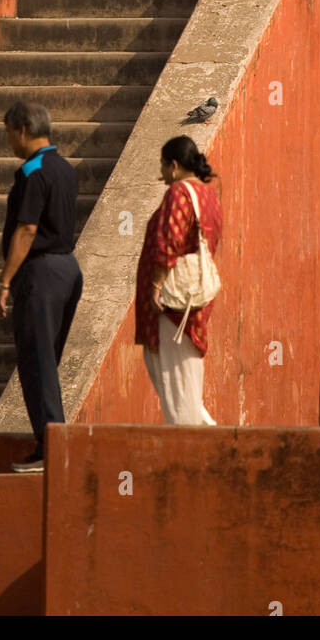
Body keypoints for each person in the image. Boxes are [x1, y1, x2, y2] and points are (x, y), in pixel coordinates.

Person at [0, 100, 82, 472]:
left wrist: (5, 280)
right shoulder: (64, 168)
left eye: (10, 133)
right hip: (67, 270)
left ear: (23, 131)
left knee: (37, 362)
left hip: (41, 274)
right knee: (46, 361)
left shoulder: (33, 171)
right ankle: (51, 445)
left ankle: (51, 449)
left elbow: (27, 229)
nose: (10, 141)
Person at [135, 135, 222, 424]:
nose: (161, 175)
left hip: (173, 304)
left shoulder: (179, 193)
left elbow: (169, 244)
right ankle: (210, 444)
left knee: (176, 390)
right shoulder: (208, 195)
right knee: (184, 388)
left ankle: (190, 460)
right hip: (191, 299)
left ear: (173, 165)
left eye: (163, 167)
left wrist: (157, 286)